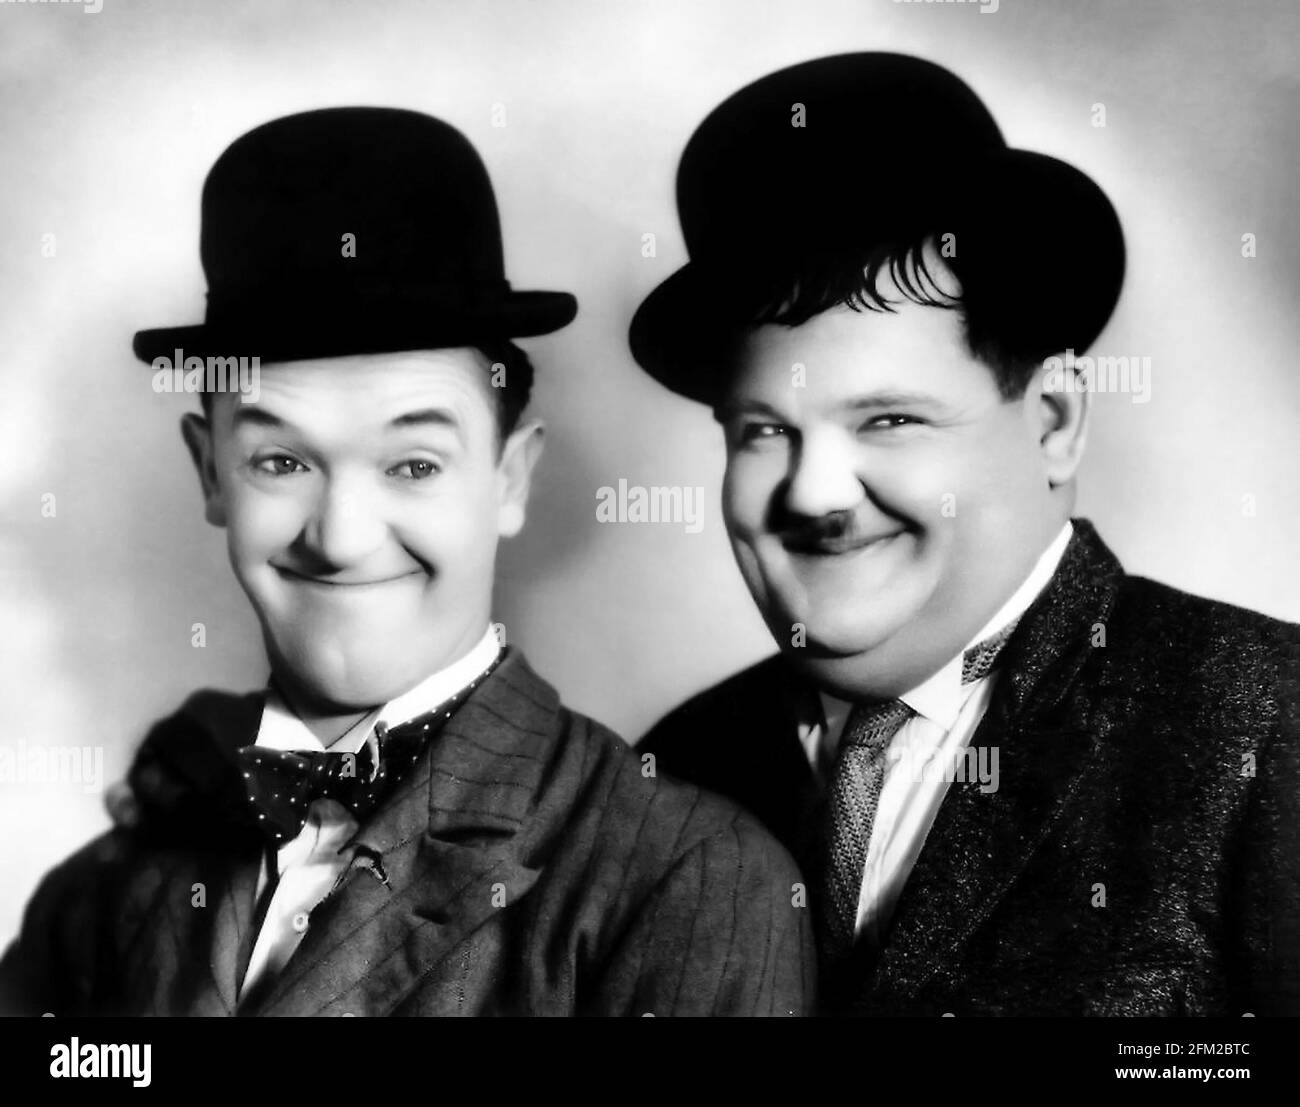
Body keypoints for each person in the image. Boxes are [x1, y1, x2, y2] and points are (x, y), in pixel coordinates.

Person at [0, 107, 812, 1017]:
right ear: (211, 470)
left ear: (510, 477)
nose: (342, 536)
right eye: (281, 461)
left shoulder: (687, 884)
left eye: (414, 464)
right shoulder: (107, 889)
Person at [629, 53, 1300, 1016]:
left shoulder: (1266, 724)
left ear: (1055, 421)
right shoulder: (674, 767)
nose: (815, 495)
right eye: (765, 431)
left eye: (890, 420)